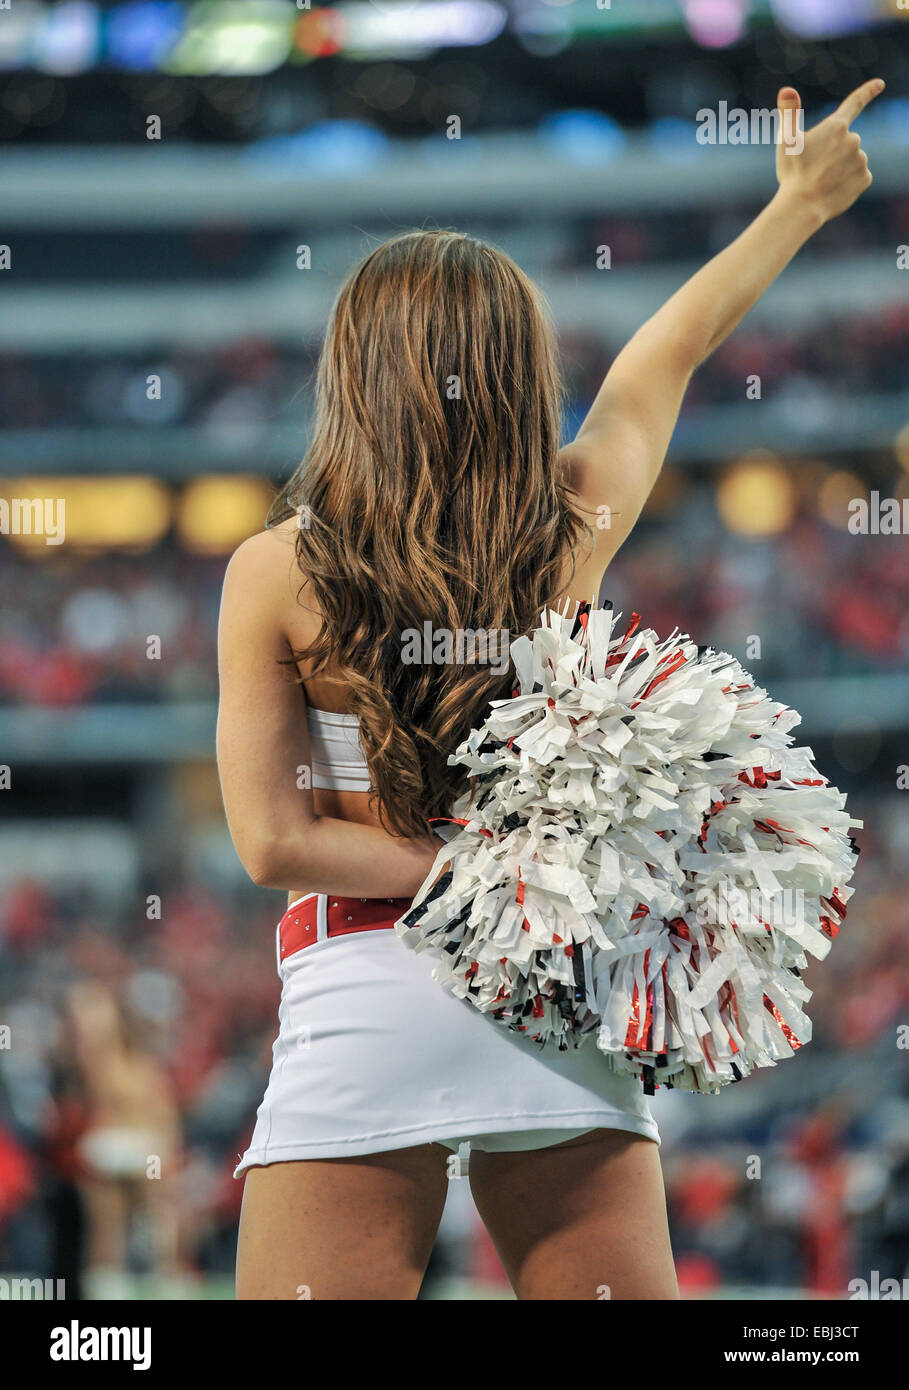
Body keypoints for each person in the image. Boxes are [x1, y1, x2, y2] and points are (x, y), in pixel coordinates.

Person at [217, 82, 881, 1300]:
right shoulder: (568, 521)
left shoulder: (279, 568)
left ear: (355, 373)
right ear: (516, 371)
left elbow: (273, 841)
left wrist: (455, 875)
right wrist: (794, 208)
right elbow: (666, 350)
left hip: (364, 990)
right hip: (550, 1000)